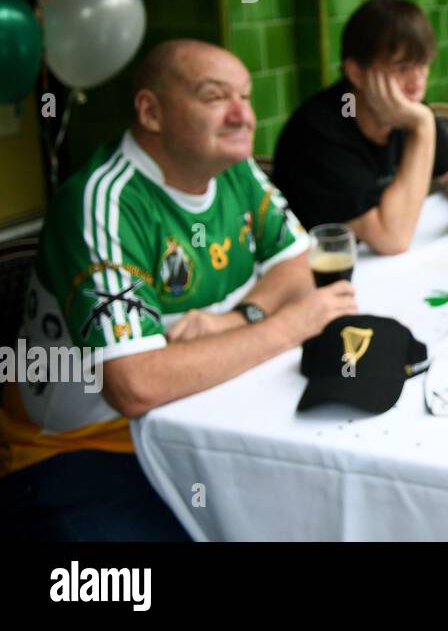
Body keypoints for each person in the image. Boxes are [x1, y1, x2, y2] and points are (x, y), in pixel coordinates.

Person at [0, 40, 358, 540]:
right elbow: (135, 384)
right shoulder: (103, 201)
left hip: (200, 417)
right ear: (151, 111)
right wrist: (287, 326)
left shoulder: (232, 166)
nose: (241, 116)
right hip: (82, 449)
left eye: (246, 97)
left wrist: (242, 319)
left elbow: (298, 263)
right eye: (215, 97)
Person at [274, 0, 448, 254]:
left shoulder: (407, 112)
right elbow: (392, 239)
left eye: (423, 63)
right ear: (356, 73)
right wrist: (423, 126)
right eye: (402, 67)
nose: (418, 81)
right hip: (318, 278)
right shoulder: (317, 133)